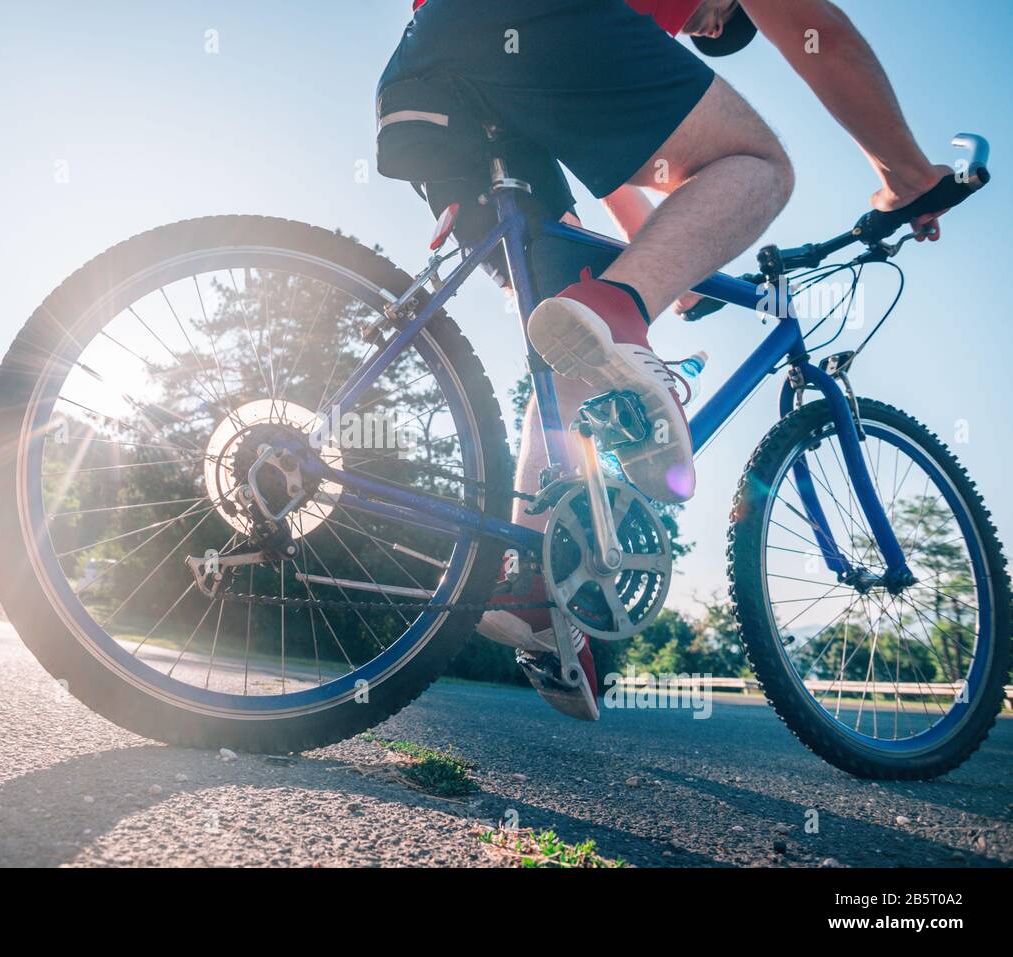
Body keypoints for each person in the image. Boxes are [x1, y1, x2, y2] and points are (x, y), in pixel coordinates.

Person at [378, 0, 954, 720]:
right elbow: (821, 35)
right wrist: (907, 174)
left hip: (432, 79)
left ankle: (525, 578)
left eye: (717, 35)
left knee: (571, 344)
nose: (711, 30)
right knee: (759, 164)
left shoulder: (618, 29)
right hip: (518, 24)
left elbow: (612, 161)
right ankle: (618, 317)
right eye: (727, 17)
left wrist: (658, 273)